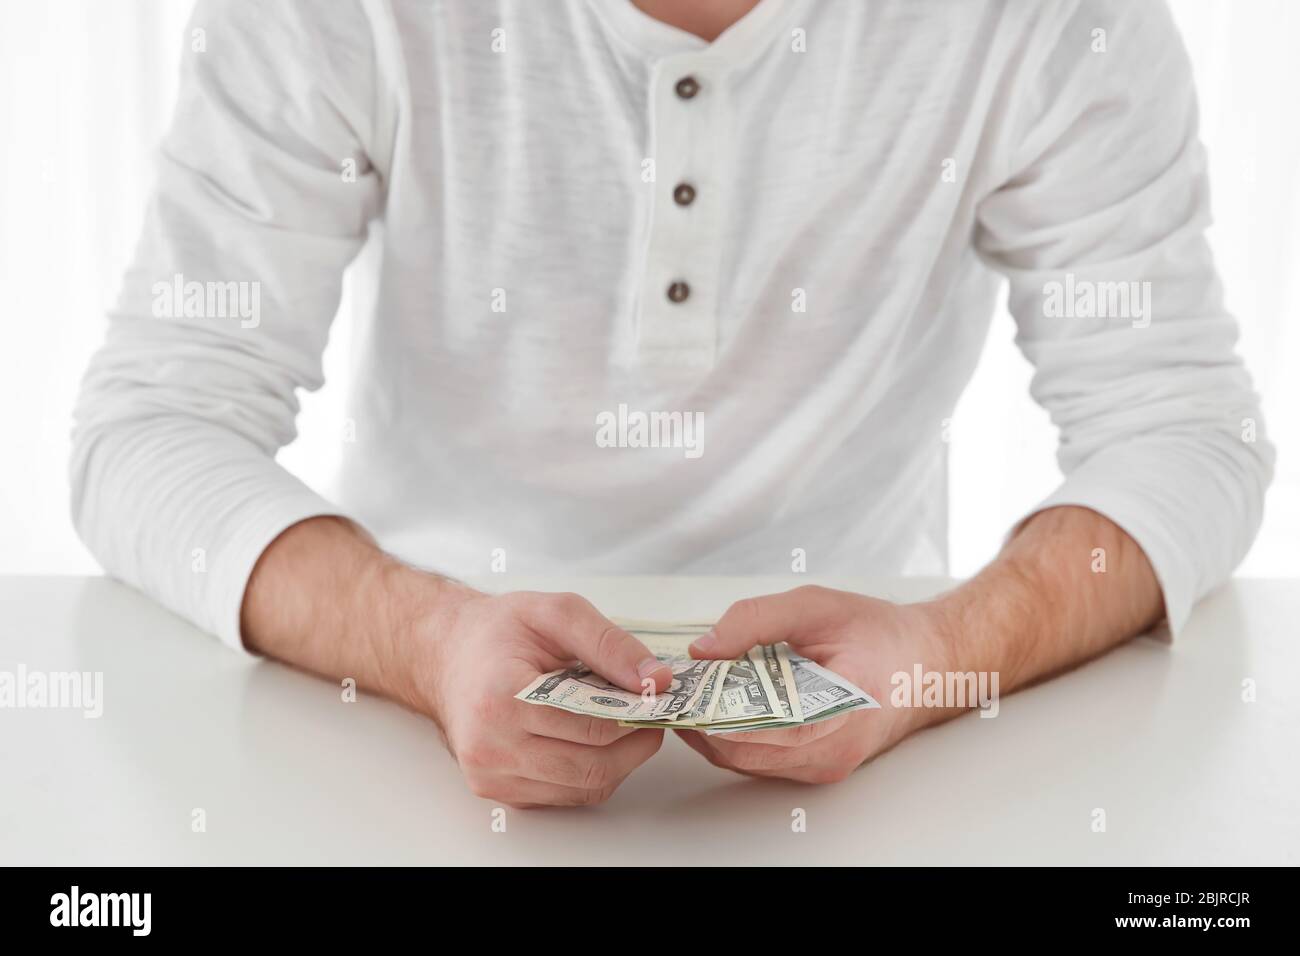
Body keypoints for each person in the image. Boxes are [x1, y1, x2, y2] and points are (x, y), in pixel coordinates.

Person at [71, 0, 1272, 807]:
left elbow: (1181, 427)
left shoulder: (1053, 22)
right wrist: (422, 637)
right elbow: (149, 423)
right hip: (374, 732)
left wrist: (941, 654)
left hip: (884, 760)